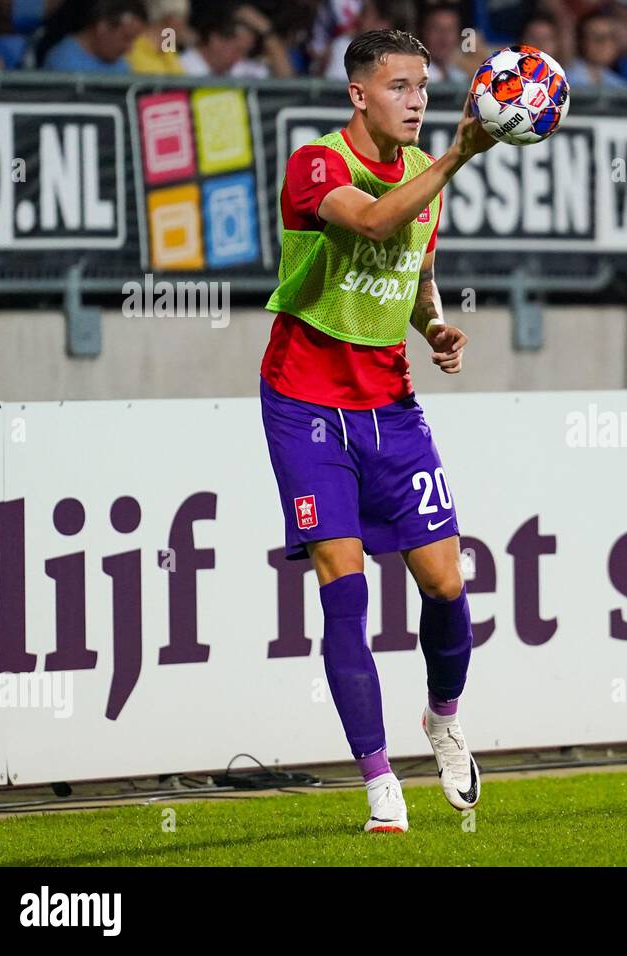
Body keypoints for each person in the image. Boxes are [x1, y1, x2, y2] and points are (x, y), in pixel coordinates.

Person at [259, 28, 496, 833]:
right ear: (359, 94)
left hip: (389, 405)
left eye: (424, 86)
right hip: (306, 402)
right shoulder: (317, 165)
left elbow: (417, 274)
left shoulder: (425, 184)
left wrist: (433, 328)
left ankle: (443, 719)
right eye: (400, 86)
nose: (418, 100)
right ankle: (377, 779)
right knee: (345, 594)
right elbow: (371, 225)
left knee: (446, 583)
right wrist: (459, 153)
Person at [178, 4, 295, 77]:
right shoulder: (179, 67)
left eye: (245, 52)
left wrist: (266, 30)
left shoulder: (239, 69)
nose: (240, 58)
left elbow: (288, 81)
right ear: (216, 39)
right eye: (238, 50)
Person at [42, 0, 147, 73]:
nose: (129, 48)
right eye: (126, 38)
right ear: (103, 27)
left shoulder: (122, 64)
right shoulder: (63, 61)